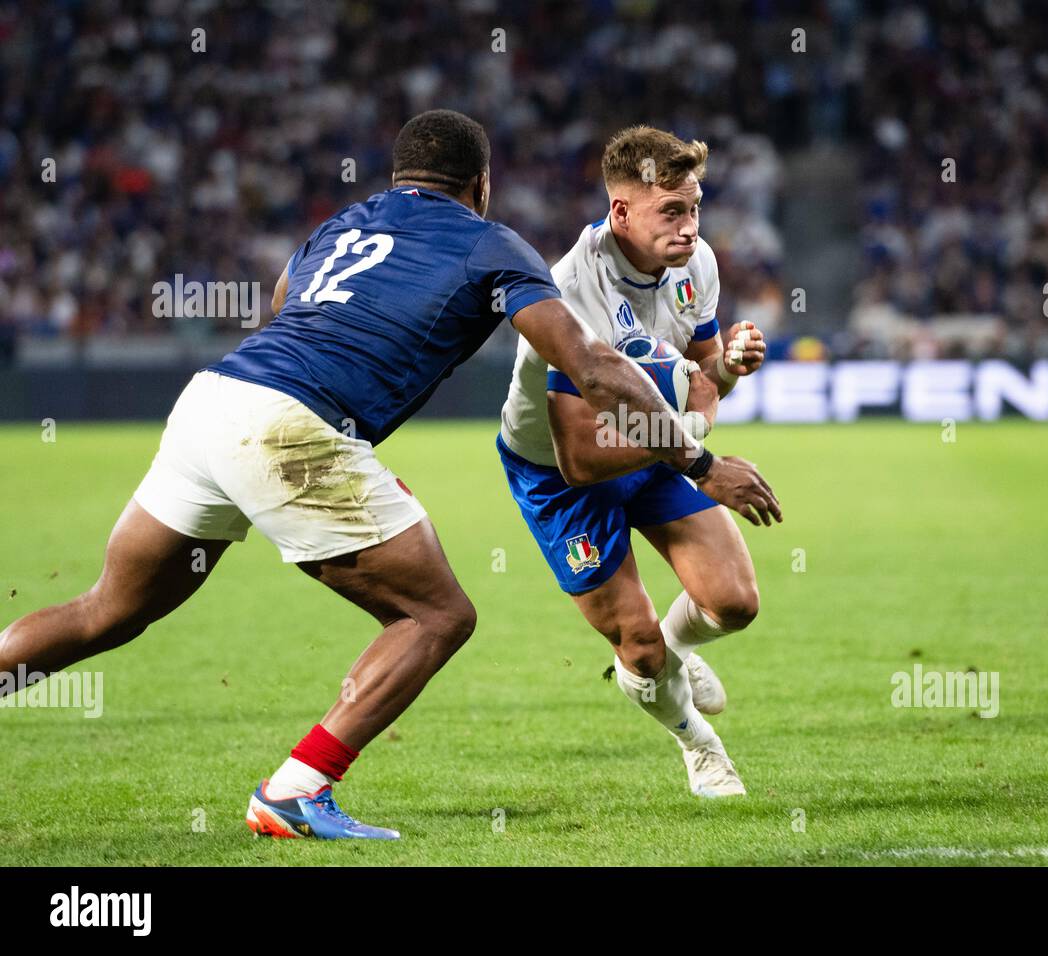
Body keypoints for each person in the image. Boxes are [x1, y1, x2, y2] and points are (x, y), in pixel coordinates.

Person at [0, 110, 780, 840]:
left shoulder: (341, 225)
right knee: (436, 616)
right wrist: (700, 461)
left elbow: (281, 305)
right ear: (481, 185)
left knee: (107, 609)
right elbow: (589, 362)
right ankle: (296, 791)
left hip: (214, 400)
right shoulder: (489, 243)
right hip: (292, 429)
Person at [498, 126, 773, 797]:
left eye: (696, 208)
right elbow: (581, 458)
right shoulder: (568, 289)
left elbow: (705, 379)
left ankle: (672, 658)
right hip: (561, 472)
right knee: (639, 646)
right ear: (620, 213)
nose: (689, 228)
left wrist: (728, 368)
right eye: (671, 212)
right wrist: (696, 452)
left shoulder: (696, 262)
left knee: (734, 603)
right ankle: (697, 743)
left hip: (657, 446)